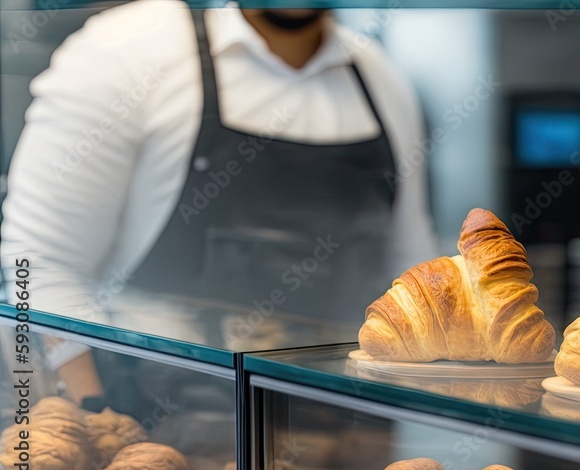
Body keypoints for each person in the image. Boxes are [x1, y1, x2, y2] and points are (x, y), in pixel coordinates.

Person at [0, 0, 436, 408]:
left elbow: (412, 275)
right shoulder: (129, 48)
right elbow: (39, 263)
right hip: (156, 437)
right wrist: (93, 421)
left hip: (342, 447)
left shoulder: (380, 77)